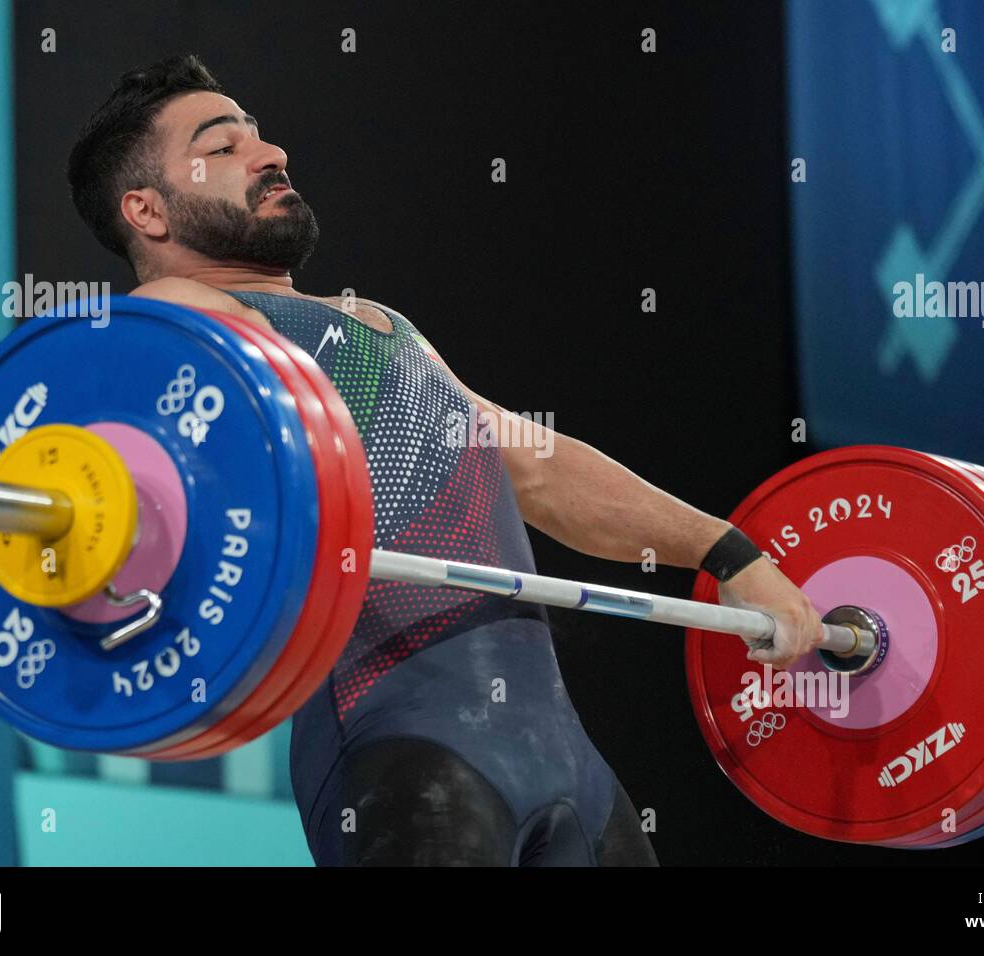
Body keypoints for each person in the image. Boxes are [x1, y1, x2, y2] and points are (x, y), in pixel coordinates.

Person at [68, 54, 824, 866]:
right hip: (401, 752)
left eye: (260, 135)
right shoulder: (176, 316)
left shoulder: (373, 322)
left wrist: (730, 552)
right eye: (222, 148)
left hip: (571, 770)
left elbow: (536, 466)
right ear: (146, 211)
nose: (270, 154)